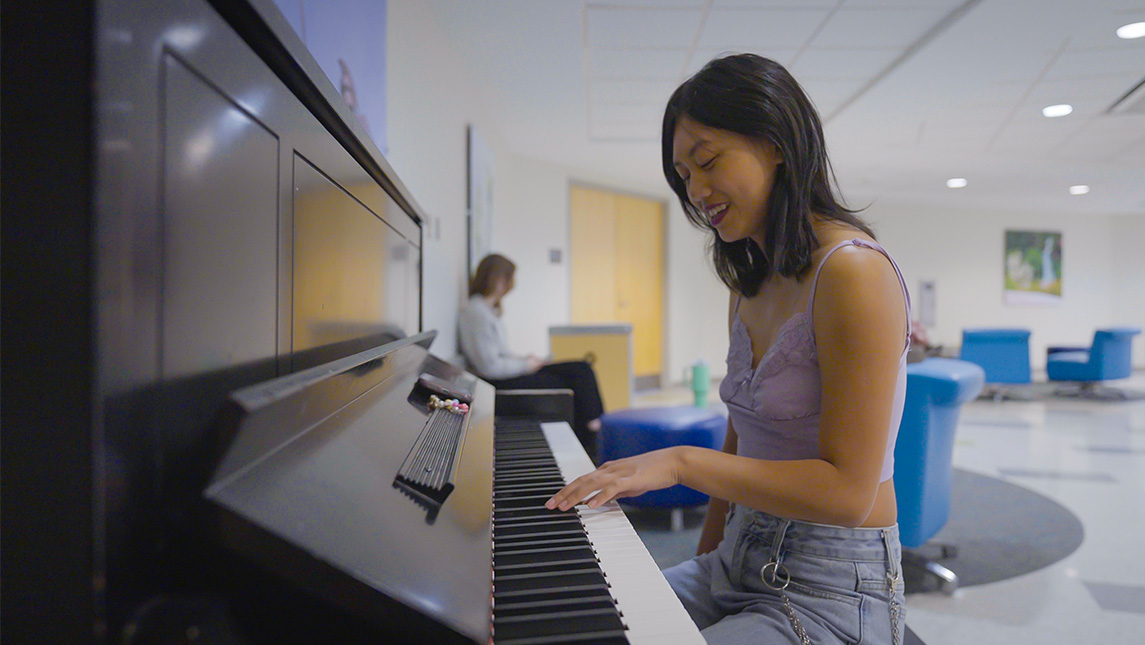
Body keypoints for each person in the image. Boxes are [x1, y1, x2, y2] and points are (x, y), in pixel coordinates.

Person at [545, 53, 910, 644]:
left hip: (833, 591)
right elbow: (743, 435)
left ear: (776, 143)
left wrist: (680, 461)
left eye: (708, 161)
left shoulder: (854, 273)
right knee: (586, 627)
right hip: (737, 560)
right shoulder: (750, 282)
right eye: (684, 175)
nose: (697, 191)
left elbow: (847, 494)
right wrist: (706, 558)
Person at [459, 253, 605, 457]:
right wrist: (526, 365)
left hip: (508, 373)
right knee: (574, 378)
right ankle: (593, 433)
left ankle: (593, 430)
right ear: (498, 279)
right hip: (497, 382)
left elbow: (499, 355)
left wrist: (524, 360)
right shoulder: (476, 311)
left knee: (581, 369)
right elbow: (489, 367)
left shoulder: (486, 309)